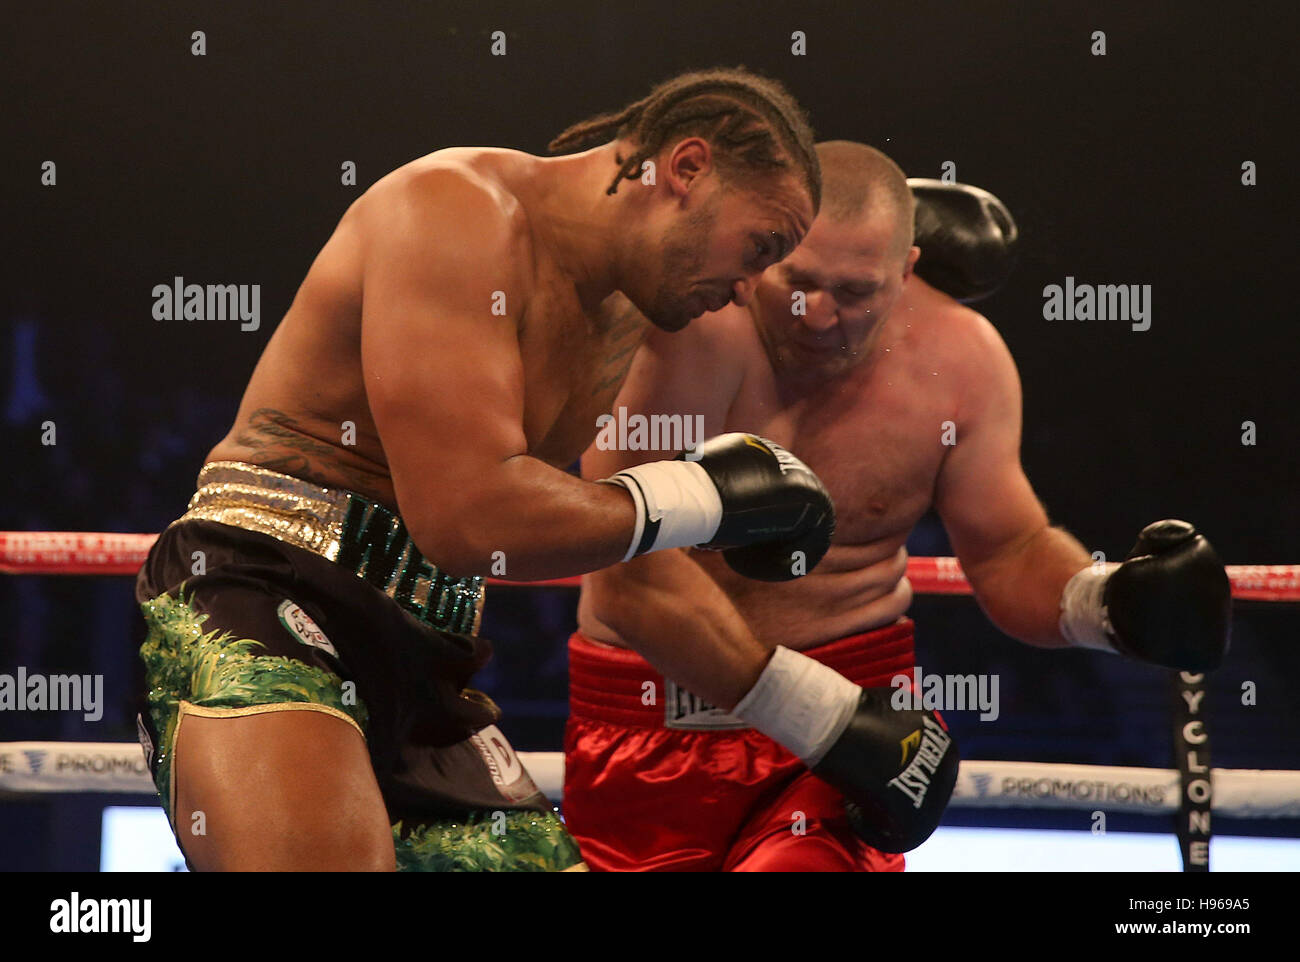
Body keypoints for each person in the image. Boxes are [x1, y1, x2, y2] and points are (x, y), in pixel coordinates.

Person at [133, 67, 834, 871]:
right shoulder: (456, 210)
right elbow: (470, 515)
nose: (752, 287)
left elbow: (584, 522)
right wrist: (706, 498)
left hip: (426, 650)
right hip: (266, 596)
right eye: (762, 248)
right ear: (686, 169)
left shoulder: (631, 310)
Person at [568, 140, 1231, 871]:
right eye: (798, 281)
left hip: (851, 728)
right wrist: (819, 717)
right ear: (765, 247)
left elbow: (1007, 548)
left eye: (855, 293)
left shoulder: (962, 357)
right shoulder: (682, 333)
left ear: (906, 270)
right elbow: (629, 576)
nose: (819, 316)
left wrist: (1103, 604)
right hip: (650, 721)